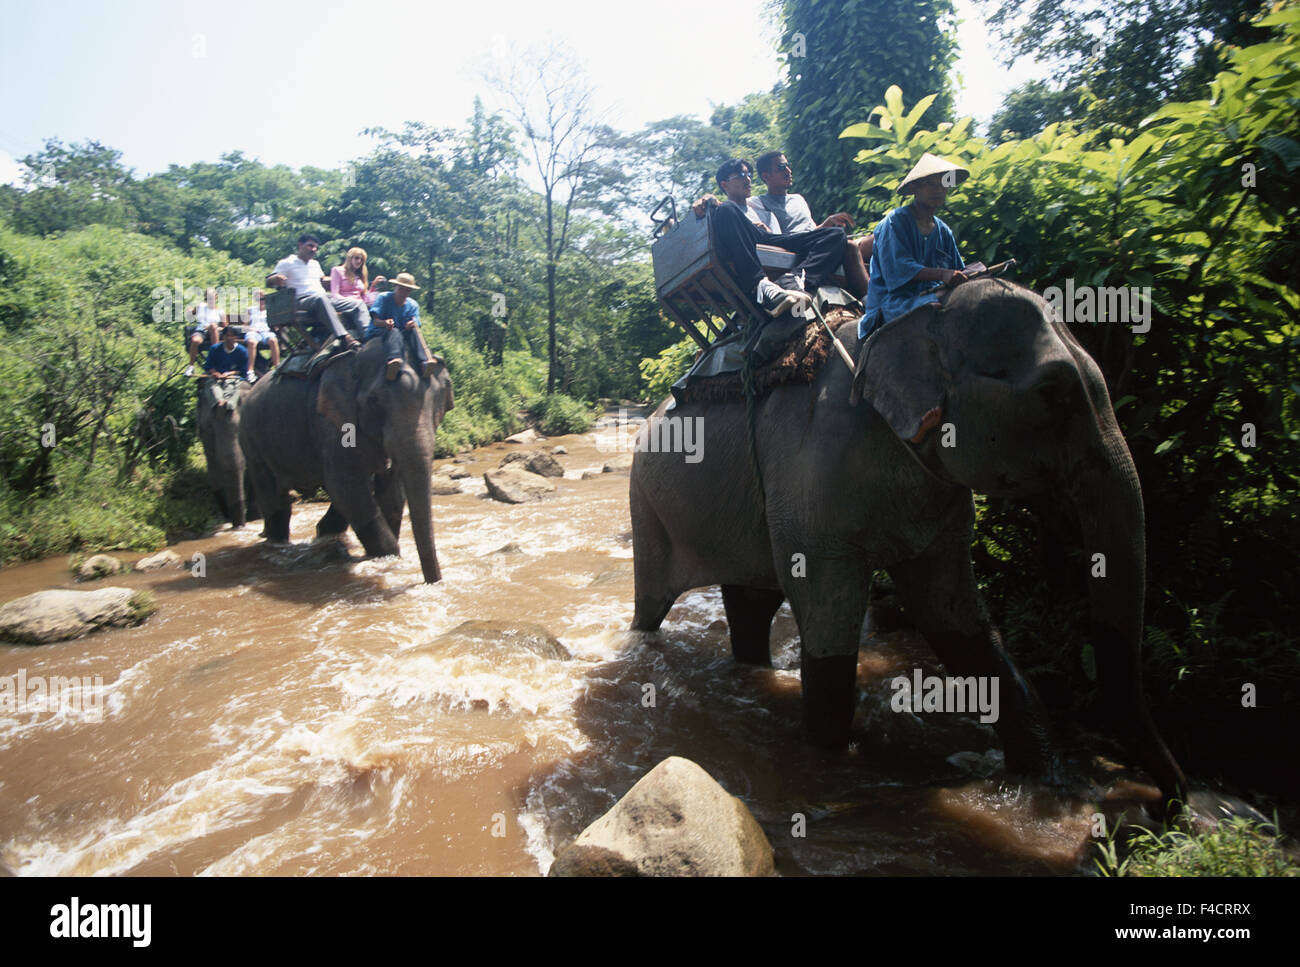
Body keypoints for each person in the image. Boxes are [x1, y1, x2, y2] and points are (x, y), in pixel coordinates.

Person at [858, 153, 971, 443]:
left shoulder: (942, 230)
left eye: (942, 185)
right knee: (933, 312)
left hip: (932, 293)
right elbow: (898, 271)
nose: (938, 190)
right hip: (895, 300)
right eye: (930, 184)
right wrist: (942, 275)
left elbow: (956, 268)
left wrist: (966, 275)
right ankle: (914, 417)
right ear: (916, 189)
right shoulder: (894, 223)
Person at [692, 158, 847, 318]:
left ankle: (796, 279)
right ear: (724, 185)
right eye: (740, 175)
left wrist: (763, 227)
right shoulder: (724, 210)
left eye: (749, 174)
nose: (748, 179)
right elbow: (708, 208)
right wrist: (706, 200)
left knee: (836, 235)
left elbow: (777, 238)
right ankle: (759, 285)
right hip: (740, 236)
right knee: (727, 208)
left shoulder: (759, 209)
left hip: (767, 237)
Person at [752, 151, 873, 300]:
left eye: (788, 166)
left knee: (852, 244)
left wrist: (827, 223)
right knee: (837, 235)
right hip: (786, 242)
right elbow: (741, 214)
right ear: (766, 176)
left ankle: (871, 302)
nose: (788, 171)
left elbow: (812, 232)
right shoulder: (756, 202)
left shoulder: (798, 199)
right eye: (781, 167)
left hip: (808, 242)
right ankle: (798, 279)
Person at [264, 234, 366, 347]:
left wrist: (342, 277)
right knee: (320, 298)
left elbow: (323, 280)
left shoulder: (315, 264)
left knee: (358, 304)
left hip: (323, 299)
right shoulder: (287, 262)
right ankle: (344, 337)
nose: (314, 250)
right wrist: (276, 278)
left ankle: (367, 336)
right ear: (300, 245)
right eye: (310, 246)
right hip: (301, 301)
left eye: (316, 247)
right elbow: (268, 281)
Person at [365, 272, 438, 379]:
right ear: (395, 286)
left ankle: (424, 362)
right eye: (401, 288)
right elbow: (375, 321)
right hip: (380, 331)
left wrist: (412, 324)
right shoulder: (383, 298)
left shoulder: (412, 305)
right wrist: (385, 323)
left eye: (407, 290)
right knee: (394, 331)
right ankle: (394, 361)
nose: (404, 292)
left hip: (402, 333)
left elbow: (416, 322)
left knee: (414, 331)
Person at [204, 324, 251, 410]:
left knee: (233, 385)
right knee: (211, 384)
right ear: (223, 337)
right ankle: (219, 402)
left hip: (232, 377)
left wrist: (228, 374)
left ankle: (228, 404)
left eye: (232, 336)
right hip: (216, 377)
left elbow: (242, 370)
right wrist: (215, 373)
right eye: (227, 335)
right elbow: (209, 365)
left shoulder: (242, 351)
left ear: (236, 337)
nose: (229, 338)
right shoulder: (215, 349)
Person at [185, 288, 225, 376]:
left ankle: (215, 362)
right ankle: (191, 366)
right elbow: (191, 313)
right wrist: (189, 311)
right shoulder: (200, 306)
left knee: (213, 326)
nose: (210, 300)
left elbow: (225, 327)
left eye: (212, 297)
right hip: (201, 330)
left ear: (216, 297)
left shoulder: (220, 311)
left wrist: (217, 328)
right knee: (195, 340)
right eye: (208, 298)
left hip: (214, 332)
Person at [242, 289, 279, 381]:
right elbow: (244, 327)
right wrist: (252, 329)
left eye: (263, 299)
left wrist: (276, 327)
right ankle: (250, 371)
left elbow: (277, 325)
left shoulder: (270, 310)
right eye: (258, 299)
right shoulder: (250, 310)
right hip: (253, 331)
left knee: (273, 340)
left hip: (266, 331)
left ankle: (277, 367)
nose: (261, 301)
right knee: (251, 342)